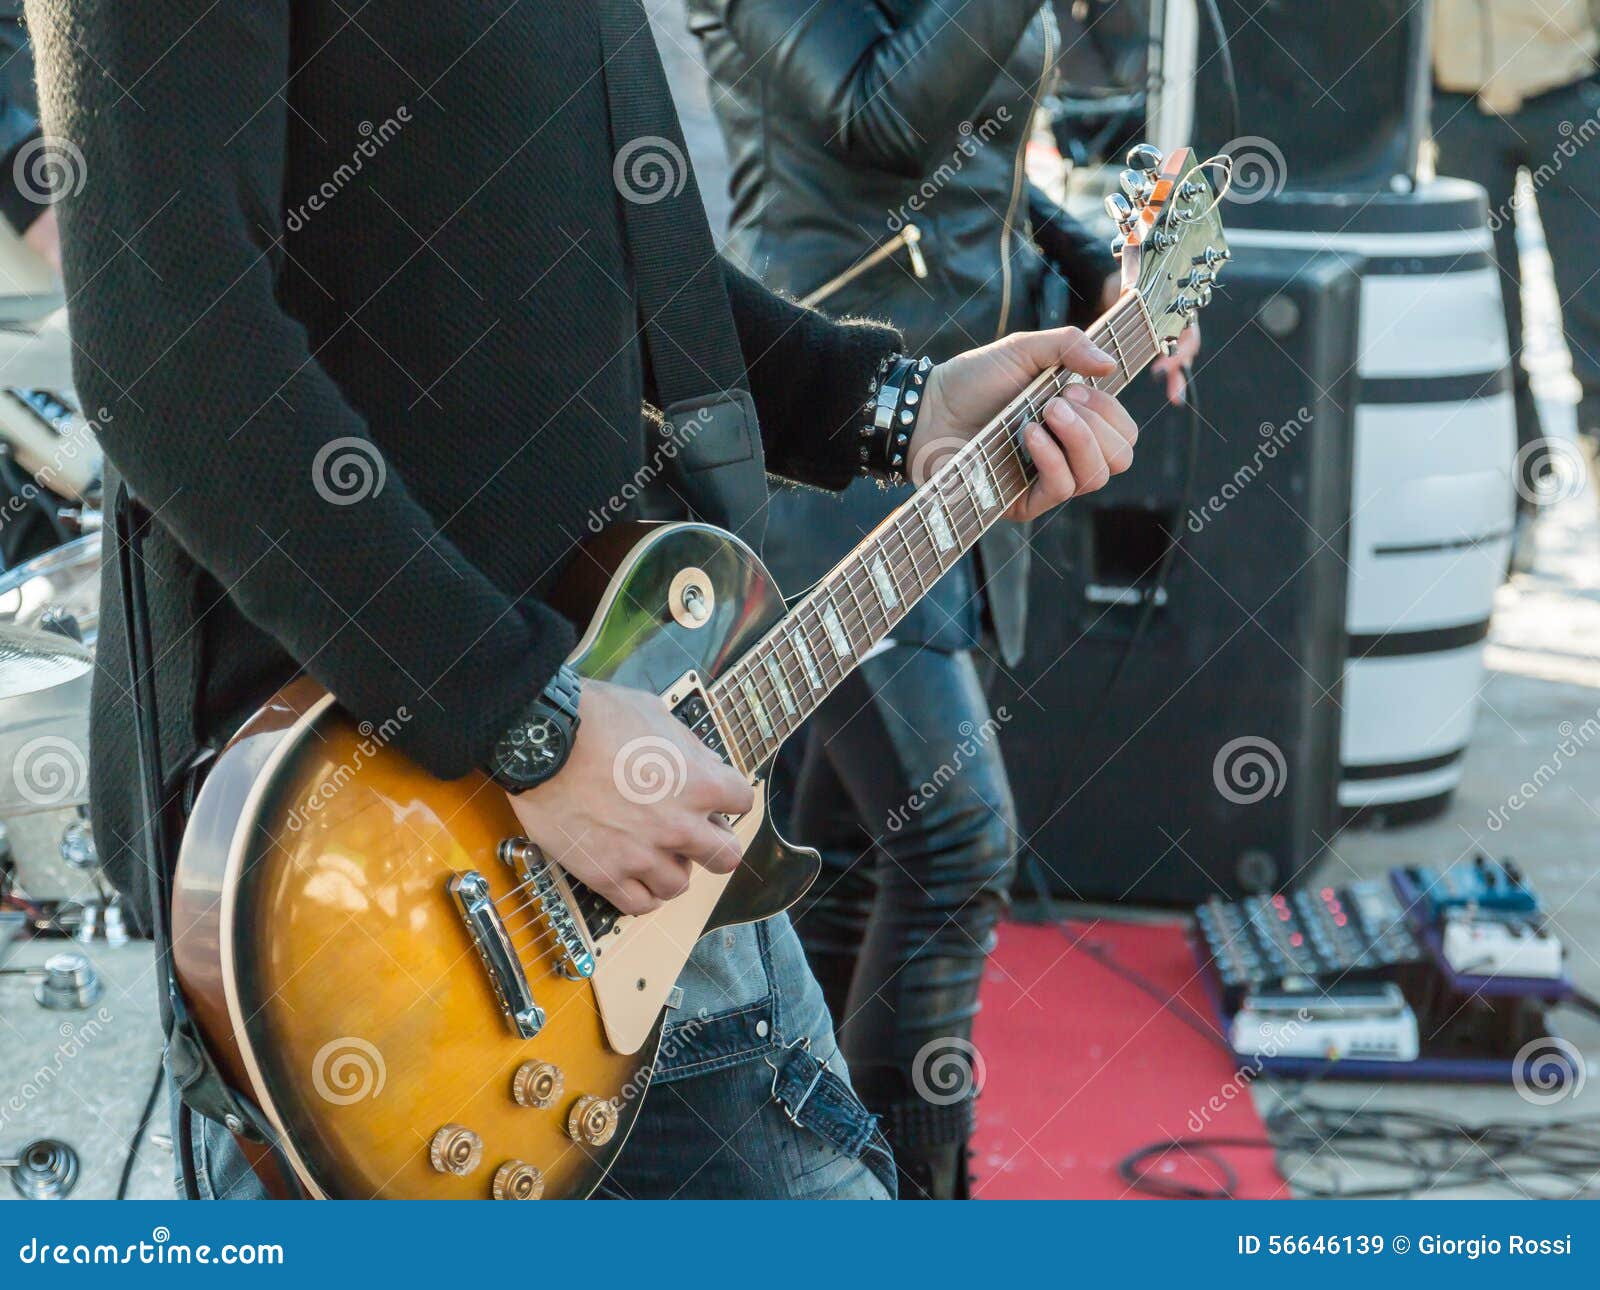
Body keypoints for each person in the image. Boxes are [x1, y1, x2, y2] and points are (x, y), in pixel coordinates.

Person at [27, 0, 1140, 1199]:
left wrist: (887, 401)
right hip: (380, 881)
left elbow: (577, 246)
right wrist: (524, 720)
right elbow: (168, 345)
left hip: (630, 778)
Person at [685, 0, 1196, 1197]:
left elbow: (988, 185)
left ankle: (798, 1170)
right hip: (822, 443)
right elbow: (882, 122)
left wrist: (1109, 288)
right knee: (954, 836)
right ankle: (916, 1205)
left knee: (845, 852)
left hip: (959, 436)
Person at [1433, 0, 1600, 524]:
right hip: (1460, 112)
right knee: (1489, 317)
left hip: (1566, 99)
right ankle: (1522, 490)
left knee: (1591, 305)